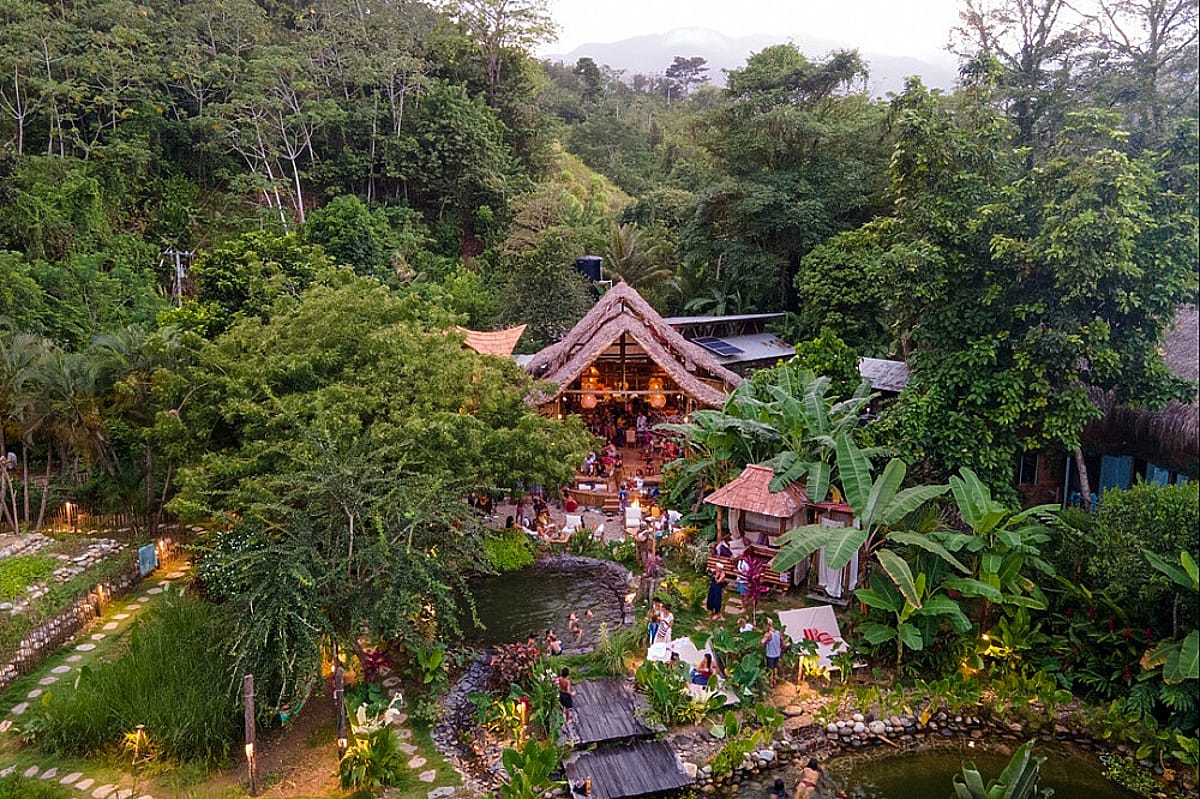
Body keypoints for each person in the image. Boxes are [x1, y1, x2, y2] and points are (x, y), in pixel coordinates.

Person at [762, 618, 783, 685]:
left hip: (770, 654)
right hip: (777, 653)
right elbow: (782, 641)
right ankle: (775, 679)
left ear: (768, 625)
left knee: (770, 669)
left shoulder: (768, 634)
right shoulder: (778, 632)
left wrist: (764, 642)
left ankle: (771, 682)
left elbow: (762, 642)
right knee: (775, 667)